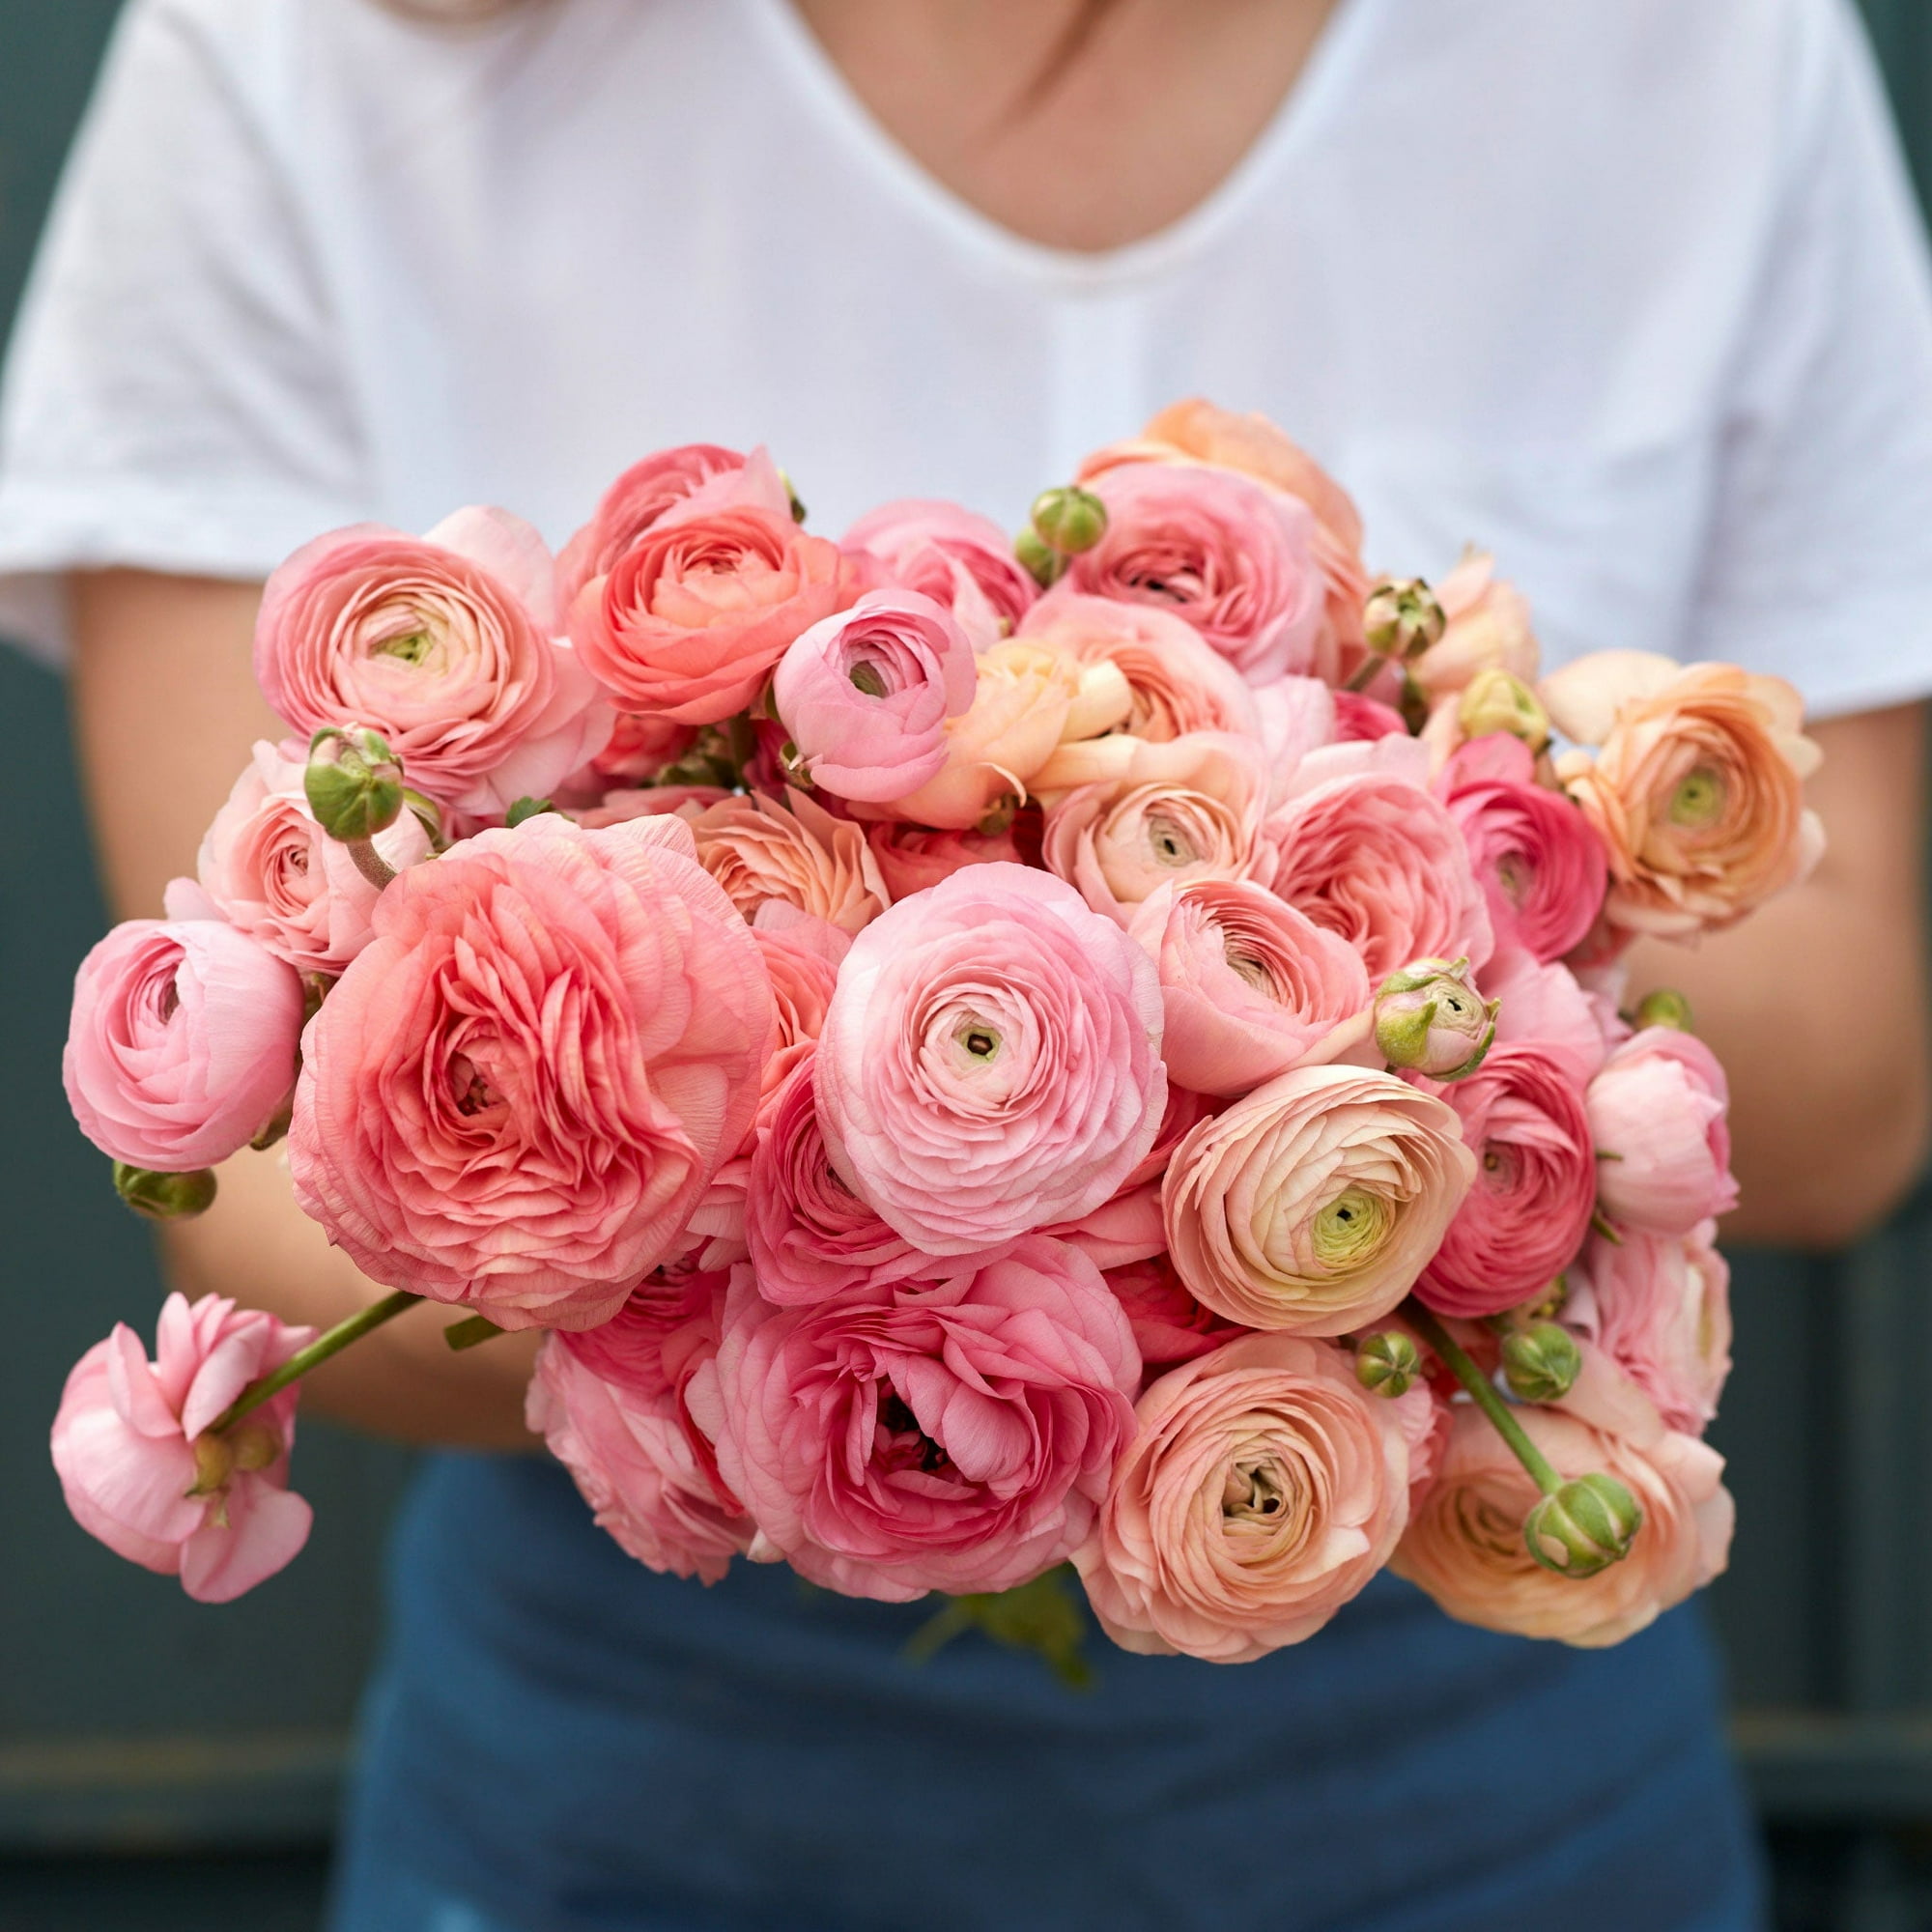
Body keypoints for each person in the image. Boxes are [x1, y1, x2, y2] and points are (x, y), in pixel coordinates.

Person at [4, 0, 1931, 1924]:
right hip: (644, 1796)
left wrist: (1280, 971)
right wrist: (924, 1150)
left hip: (1477, 1776)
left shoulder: (1696, 48)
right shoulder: (302, 53)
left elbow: (1852, 1088)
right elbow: (272, 1207)